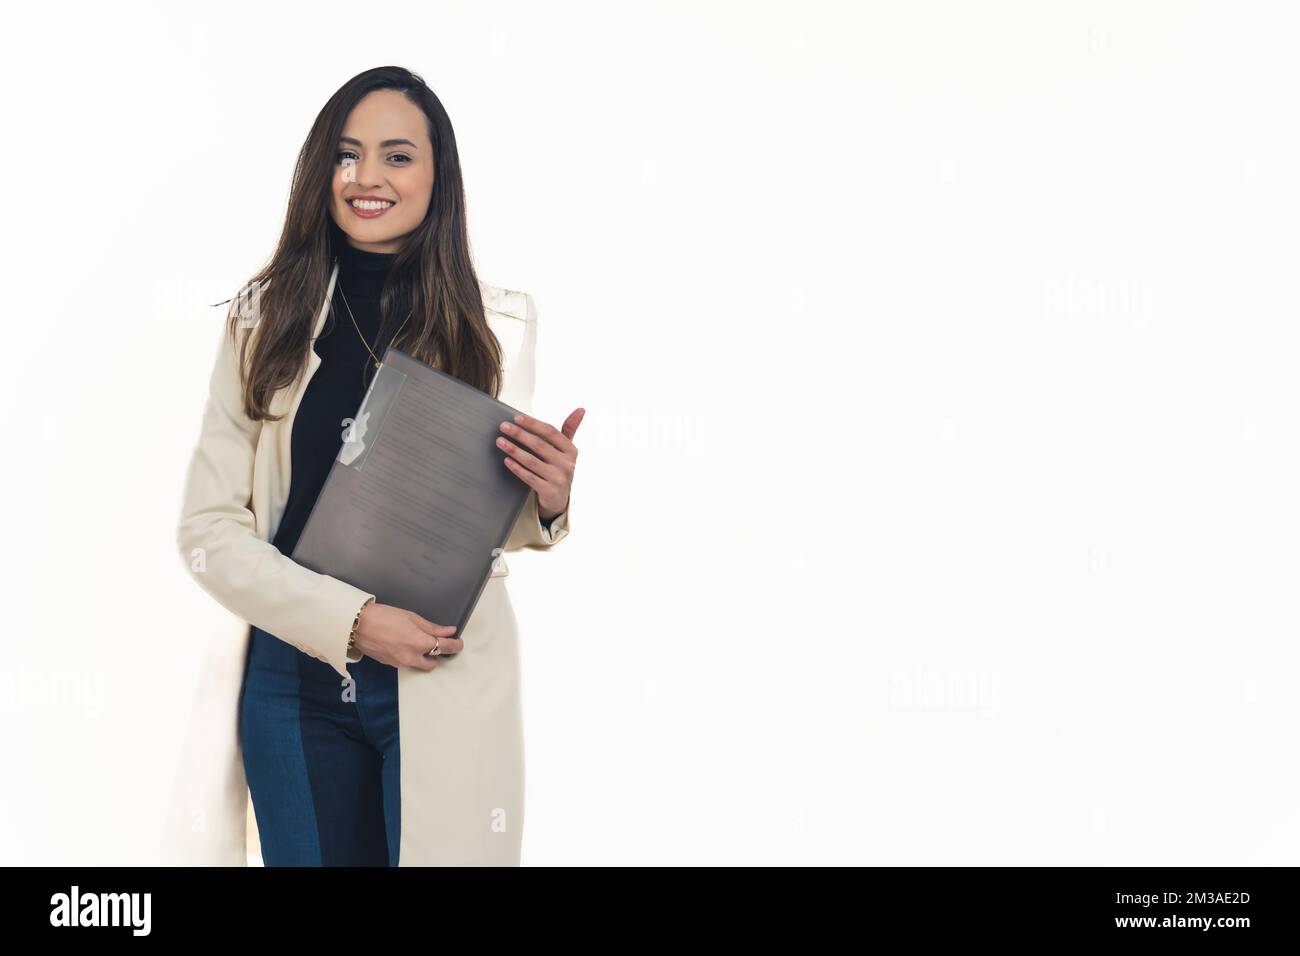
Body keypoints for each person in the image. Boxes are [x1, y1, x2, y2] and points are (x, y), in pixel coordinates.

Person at [171, 65, 581, 866]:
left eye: (398, 156)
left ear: (438, 175)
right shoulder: (263, 323)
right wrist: (353, 621)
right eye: (347, 154)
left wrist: (549, 500)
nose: (366, 178)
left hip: (440, 667)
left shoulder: (497, 324)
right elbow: (208, 530)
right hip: (296, 676)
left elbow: (484, 521)